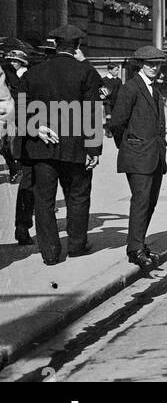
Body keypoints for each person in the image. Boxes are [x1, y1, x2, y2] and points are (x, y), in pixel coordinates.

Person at [20, 25, 103, 266]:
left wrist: (34, 128)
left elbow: (20, 107)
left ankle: (50, 252)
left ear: (55, 44)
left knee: (44, 201)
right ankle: (76, 246)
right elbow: (92, 112)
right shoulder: (84, 72)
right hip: (76, 147)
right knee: (77, 196)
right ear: (77, 46)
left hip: (41, 147)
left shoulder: (33, 73)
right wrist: (94, 149)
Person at [108, 46, 167, 270]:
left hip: (155, 154)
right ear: (140, 64)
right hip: (137, 154)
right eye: (149, 63)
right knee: (141, 201)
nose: (154, 67)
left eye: (157, 63)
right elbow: (116, 122)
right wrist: (127, 145)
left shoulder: (154, 88)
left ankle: (140, 244)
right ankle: (134, 250)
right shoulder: (130, 88)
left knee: (150, 202)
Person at [1, 40, 36, 247]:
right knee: (30, 182)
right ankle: (24, 227)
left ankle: (22, 227)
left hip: (15, 132)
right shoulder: (13, 78)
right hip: (18, 132)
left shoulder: (14, 77)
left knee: (28, 182)